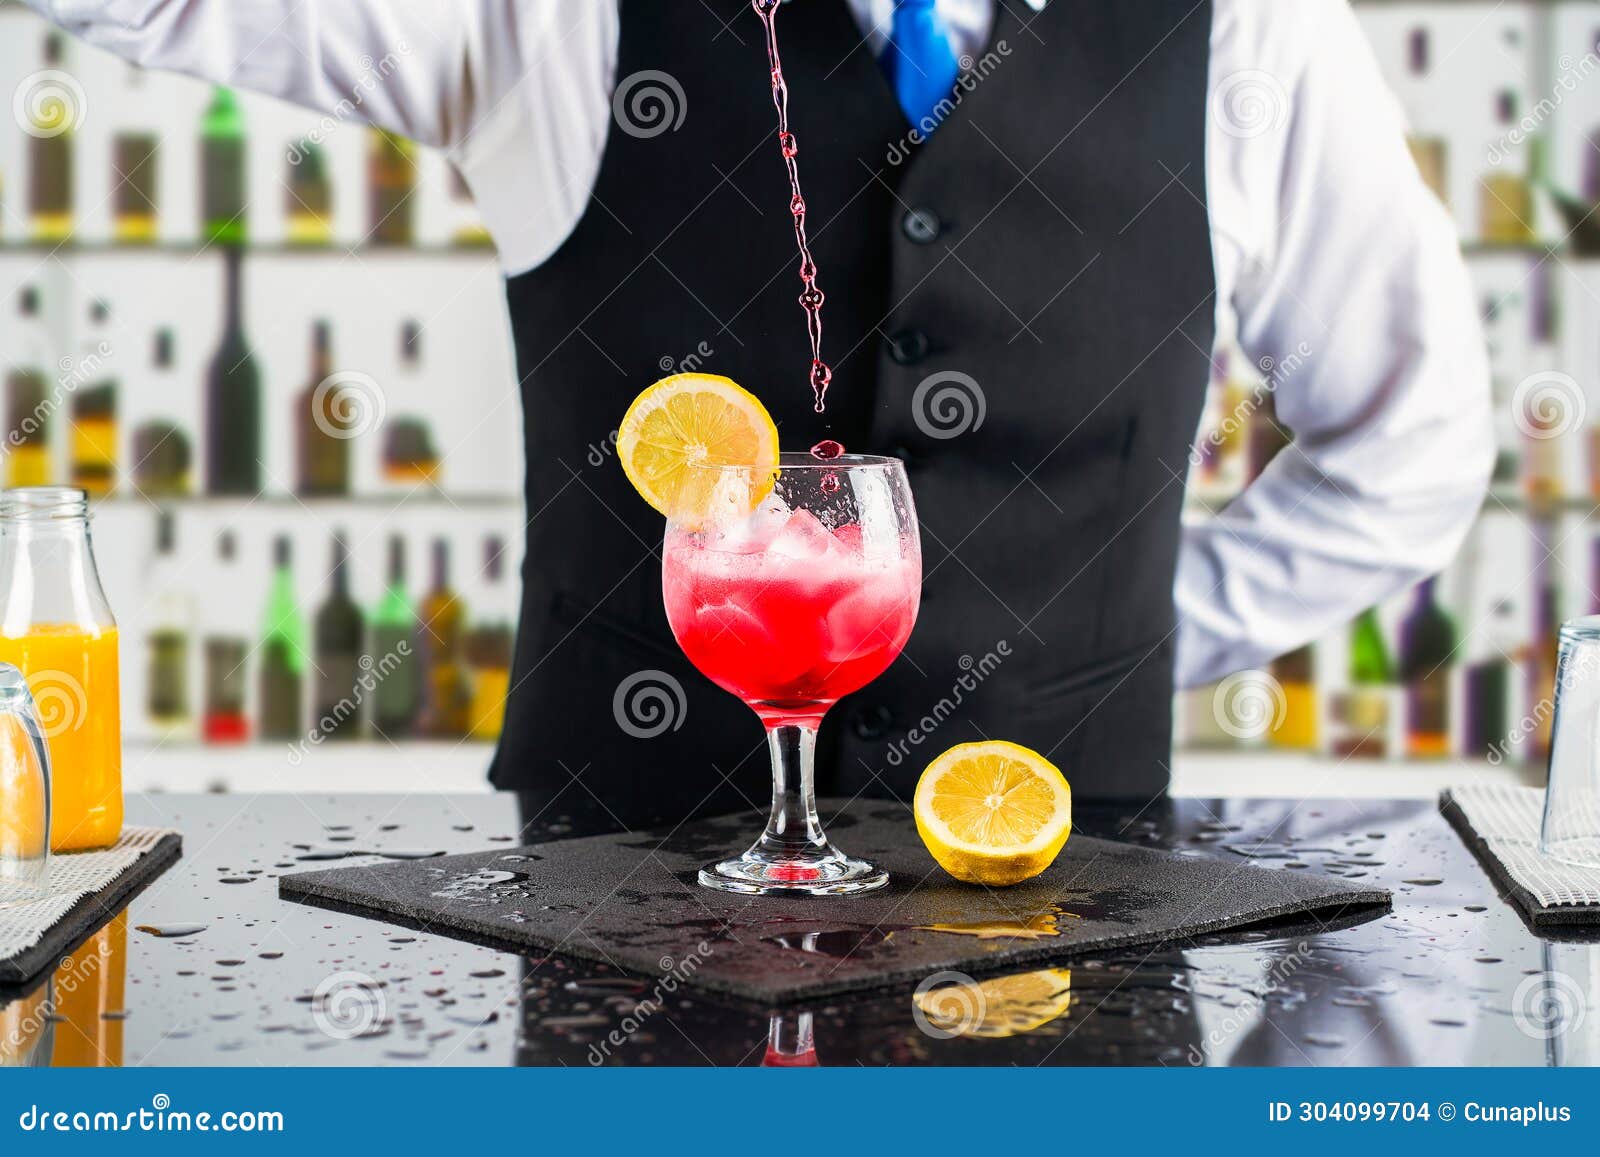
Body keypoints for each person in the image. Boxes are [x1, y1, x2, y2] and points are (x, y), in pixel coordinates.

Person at [26, 0, 1492, 830]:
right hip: (624, 895)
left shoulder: (1248, 31)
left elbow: (1412, 446)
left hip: (1064, 888)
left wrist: (1109, 633)